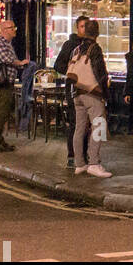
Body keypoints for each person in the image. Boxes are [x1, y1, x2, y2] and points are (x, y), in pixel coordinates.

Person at [68, 19, 111, 178]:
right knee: (99, 127)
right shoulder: (95, 49)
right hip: (91, 93)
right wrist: (106, 94)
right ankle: (94, 163)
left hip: (77, 93)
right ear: (97, 33)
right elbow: (100, 73)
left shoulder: (77, 49)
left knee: (79, 129)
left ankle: (79, 164)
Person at [53, 14, 91, 170]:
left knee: (87, 124)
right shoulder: (70, 45)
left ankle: (83, 154)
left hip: (88, 87)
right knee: (75, 122)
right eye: (82, 26)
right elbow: (58, 65)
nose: (85, 29)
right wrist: (72, 71)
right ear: (77, 28)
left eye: (87, 26)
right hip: (73, 87)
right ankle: (72, 155)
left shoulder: (91, 44)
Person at [0, 18, 28, 153]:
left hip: (8, 82)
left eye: (14, 27)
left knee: (5, 112)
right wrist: (20, 63)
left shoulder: (8, 44)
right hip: (2, 83)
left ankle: (0, 141)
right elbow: (7, 59)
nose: (14, 30)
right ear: (4, 30)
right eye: (11, 28)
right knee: (2, 112)